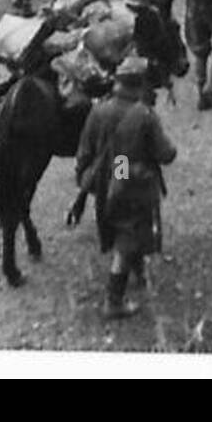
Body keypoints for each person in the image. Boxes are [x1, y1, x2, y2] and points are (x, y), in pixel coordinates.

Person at [69, 55, 177, 319]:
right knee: (128, 237)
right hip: (133, 185)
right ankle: (113, 300)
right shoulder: (145, 115)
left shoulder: (98, 110)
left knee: (122, 227)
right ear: (140, 84)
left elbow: (84, 152)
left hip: (106, 184)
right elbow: (166, 153)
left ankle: (137, 270)